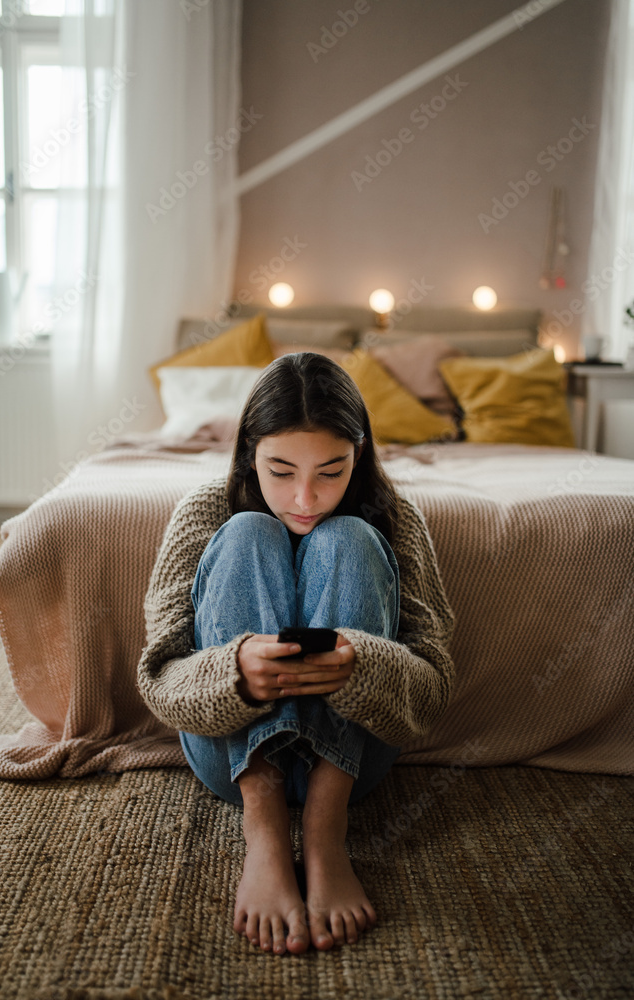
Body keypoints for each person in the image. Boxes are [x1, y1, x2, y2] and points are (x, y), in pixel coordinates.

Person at [137, 352, 455, 957]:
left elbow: (433, 686)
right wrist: (234, 674)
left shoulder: (394, 516)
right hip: (232, 761)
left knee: (350, 536)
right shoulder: (204, 510)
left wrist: (363, 664)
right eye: (280, 471)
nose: (305, 498)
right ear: (248, 455)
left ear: (358, 457)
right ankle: (265, 835)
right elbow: (158, 678)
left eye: (330, 472)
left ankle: (324, 830)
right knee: (247, 532)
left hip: (355, 761)